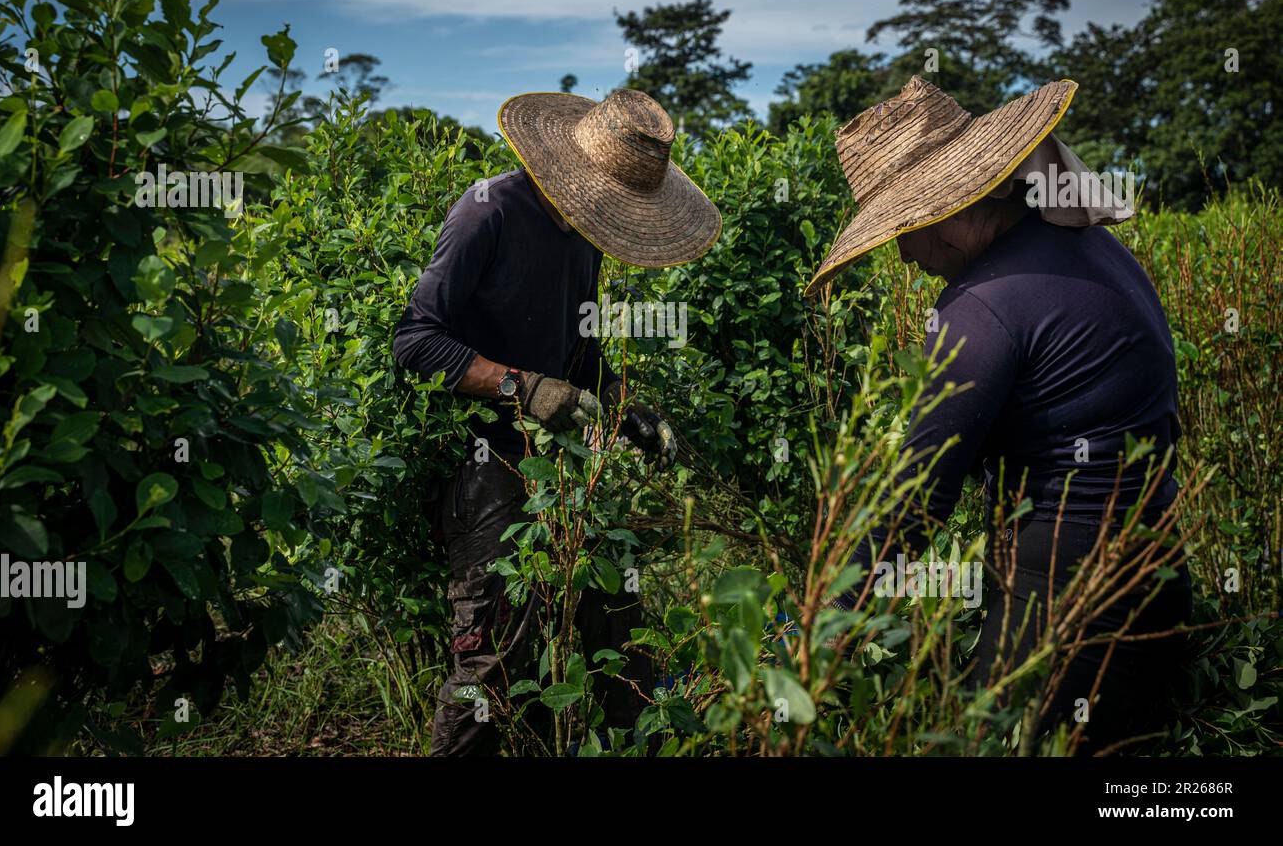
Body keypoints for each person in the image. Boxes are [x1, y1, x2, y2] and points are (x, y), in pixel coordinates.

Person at [806, 75, 1192, 753]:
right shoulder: (1092, 248)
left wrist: (827, 621)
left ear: (944, 215)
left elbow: (916, 493)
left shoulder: (981, 306)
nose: (901, 254)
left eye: (902, 231)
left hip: (1065, 595)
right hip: (1155, 569)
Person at [393, 88, 722, 756]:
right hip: (486, 461)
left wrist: (626, 408)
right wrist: (523, 387)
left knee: (618, 632)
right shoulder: (486, 213)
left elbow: (582, 347)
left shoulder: (585, 236)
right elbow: (415, 343)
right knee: (492, 657)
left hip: (561, 461)